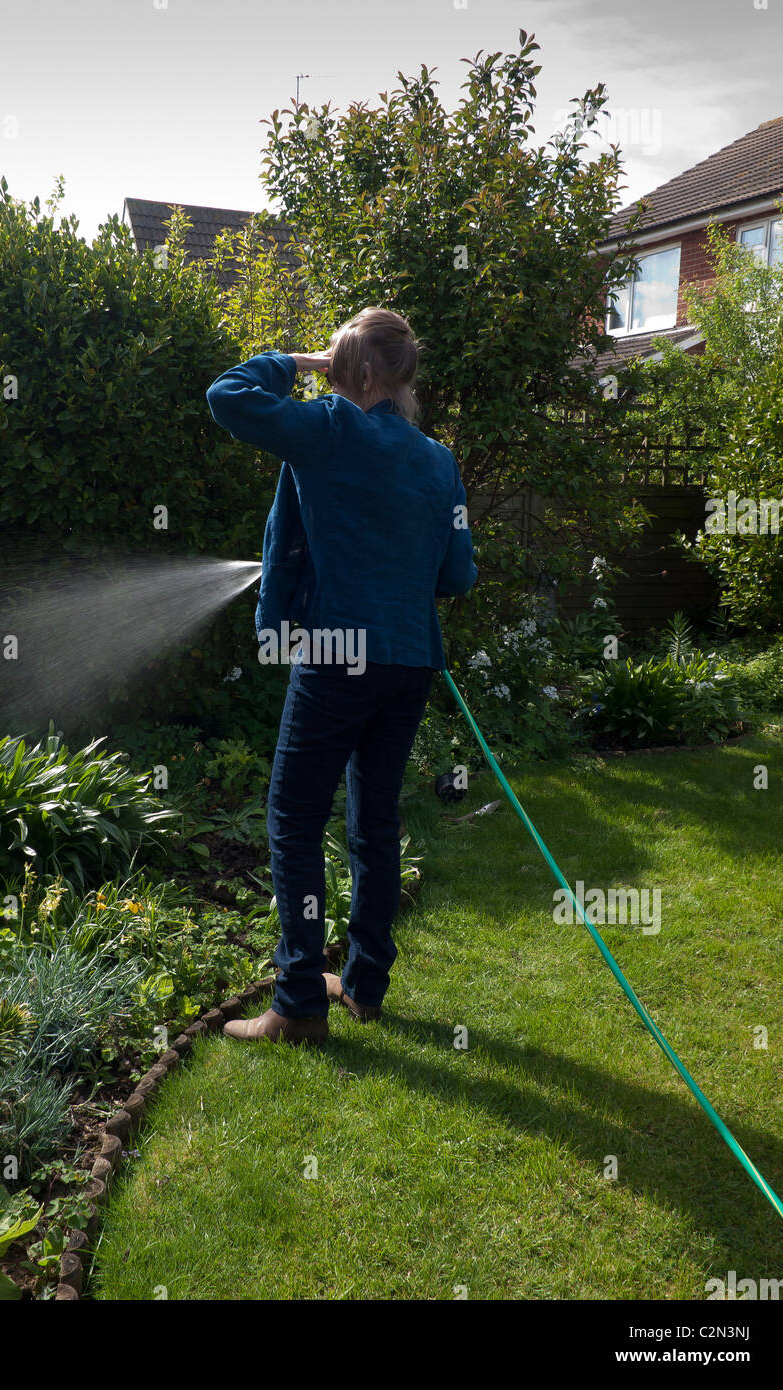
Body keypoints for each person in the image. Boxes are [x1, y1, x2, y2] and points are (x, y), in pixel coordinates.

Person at [205, 307, 477, 1044]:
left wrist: (290, 362)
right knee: (375, 821)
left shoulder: (329, 426)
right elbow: (457, 575)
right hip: (409, 661)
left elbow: (227, 396)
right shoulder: (437, 460)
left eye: (332, 362)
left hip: (336, 656)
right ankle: (362, 985)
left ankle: (296, 1002)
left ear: (353, 371)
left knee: (294, 820)